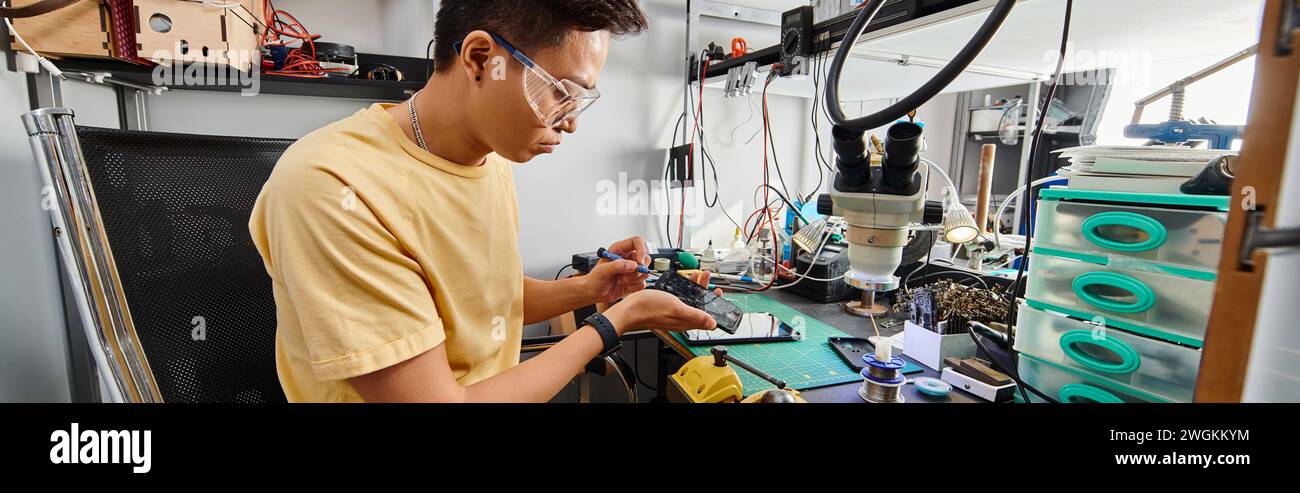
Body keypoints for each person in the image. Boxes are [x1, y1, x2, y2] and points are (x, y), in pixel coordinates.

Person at [250, 0, 718, 402]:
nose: (571, 122)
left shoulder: (489, 159)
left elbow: (486, 296)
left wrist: (593, 290)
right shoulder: (333, 186)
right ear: (479, 58)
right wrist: (614, 323)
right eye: (561, 93)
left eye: (582, 100)